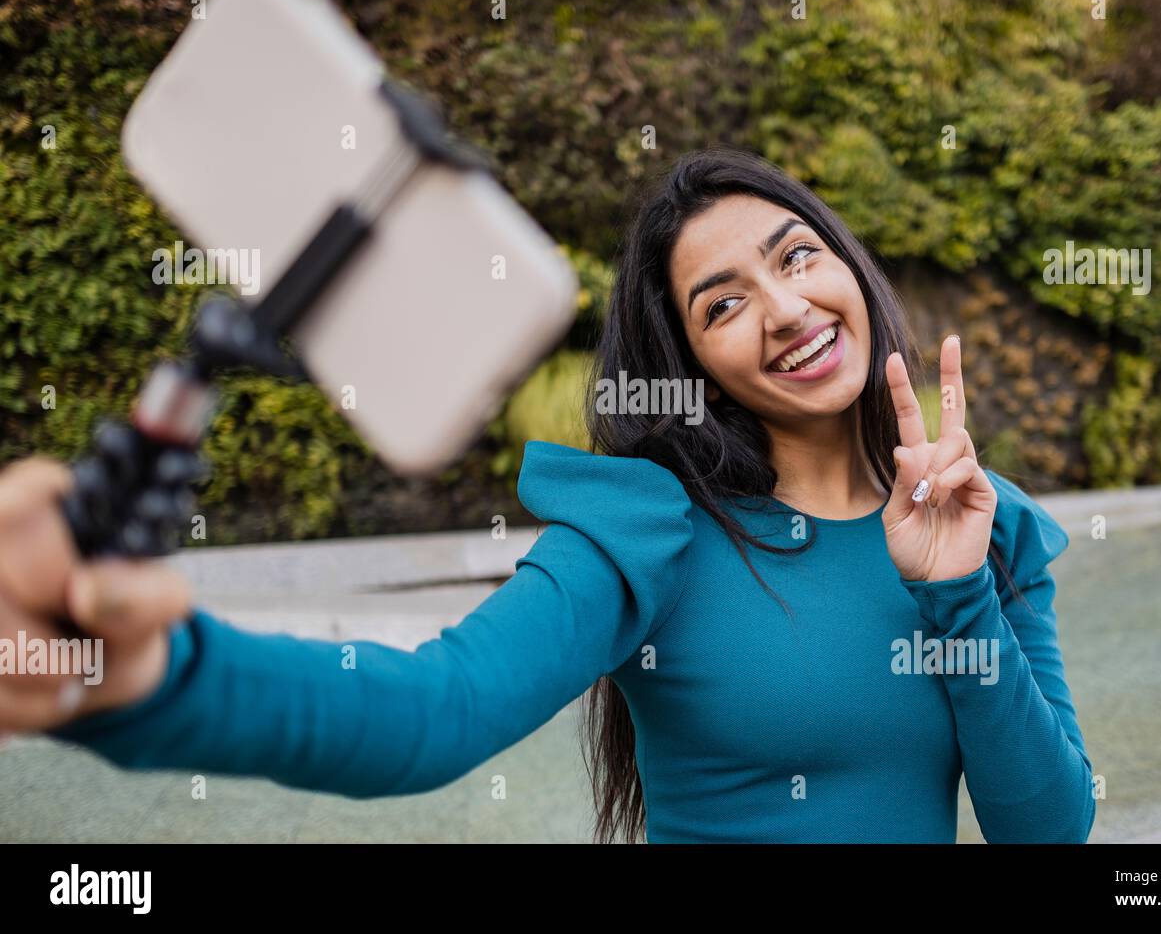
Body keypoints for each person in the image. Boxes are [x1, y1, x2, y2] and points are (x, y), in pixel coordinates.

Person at [0, 146, 1095, 843]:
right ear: (692, 362)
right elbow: (432, 711)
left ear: (847, 270)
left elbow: (1046, 827)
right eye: (722, 305)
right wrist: (143, 673)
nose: (784, 307)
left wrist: (958, 598)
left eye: (796, 256)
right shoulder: (653, 528)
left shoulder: (984, 520)